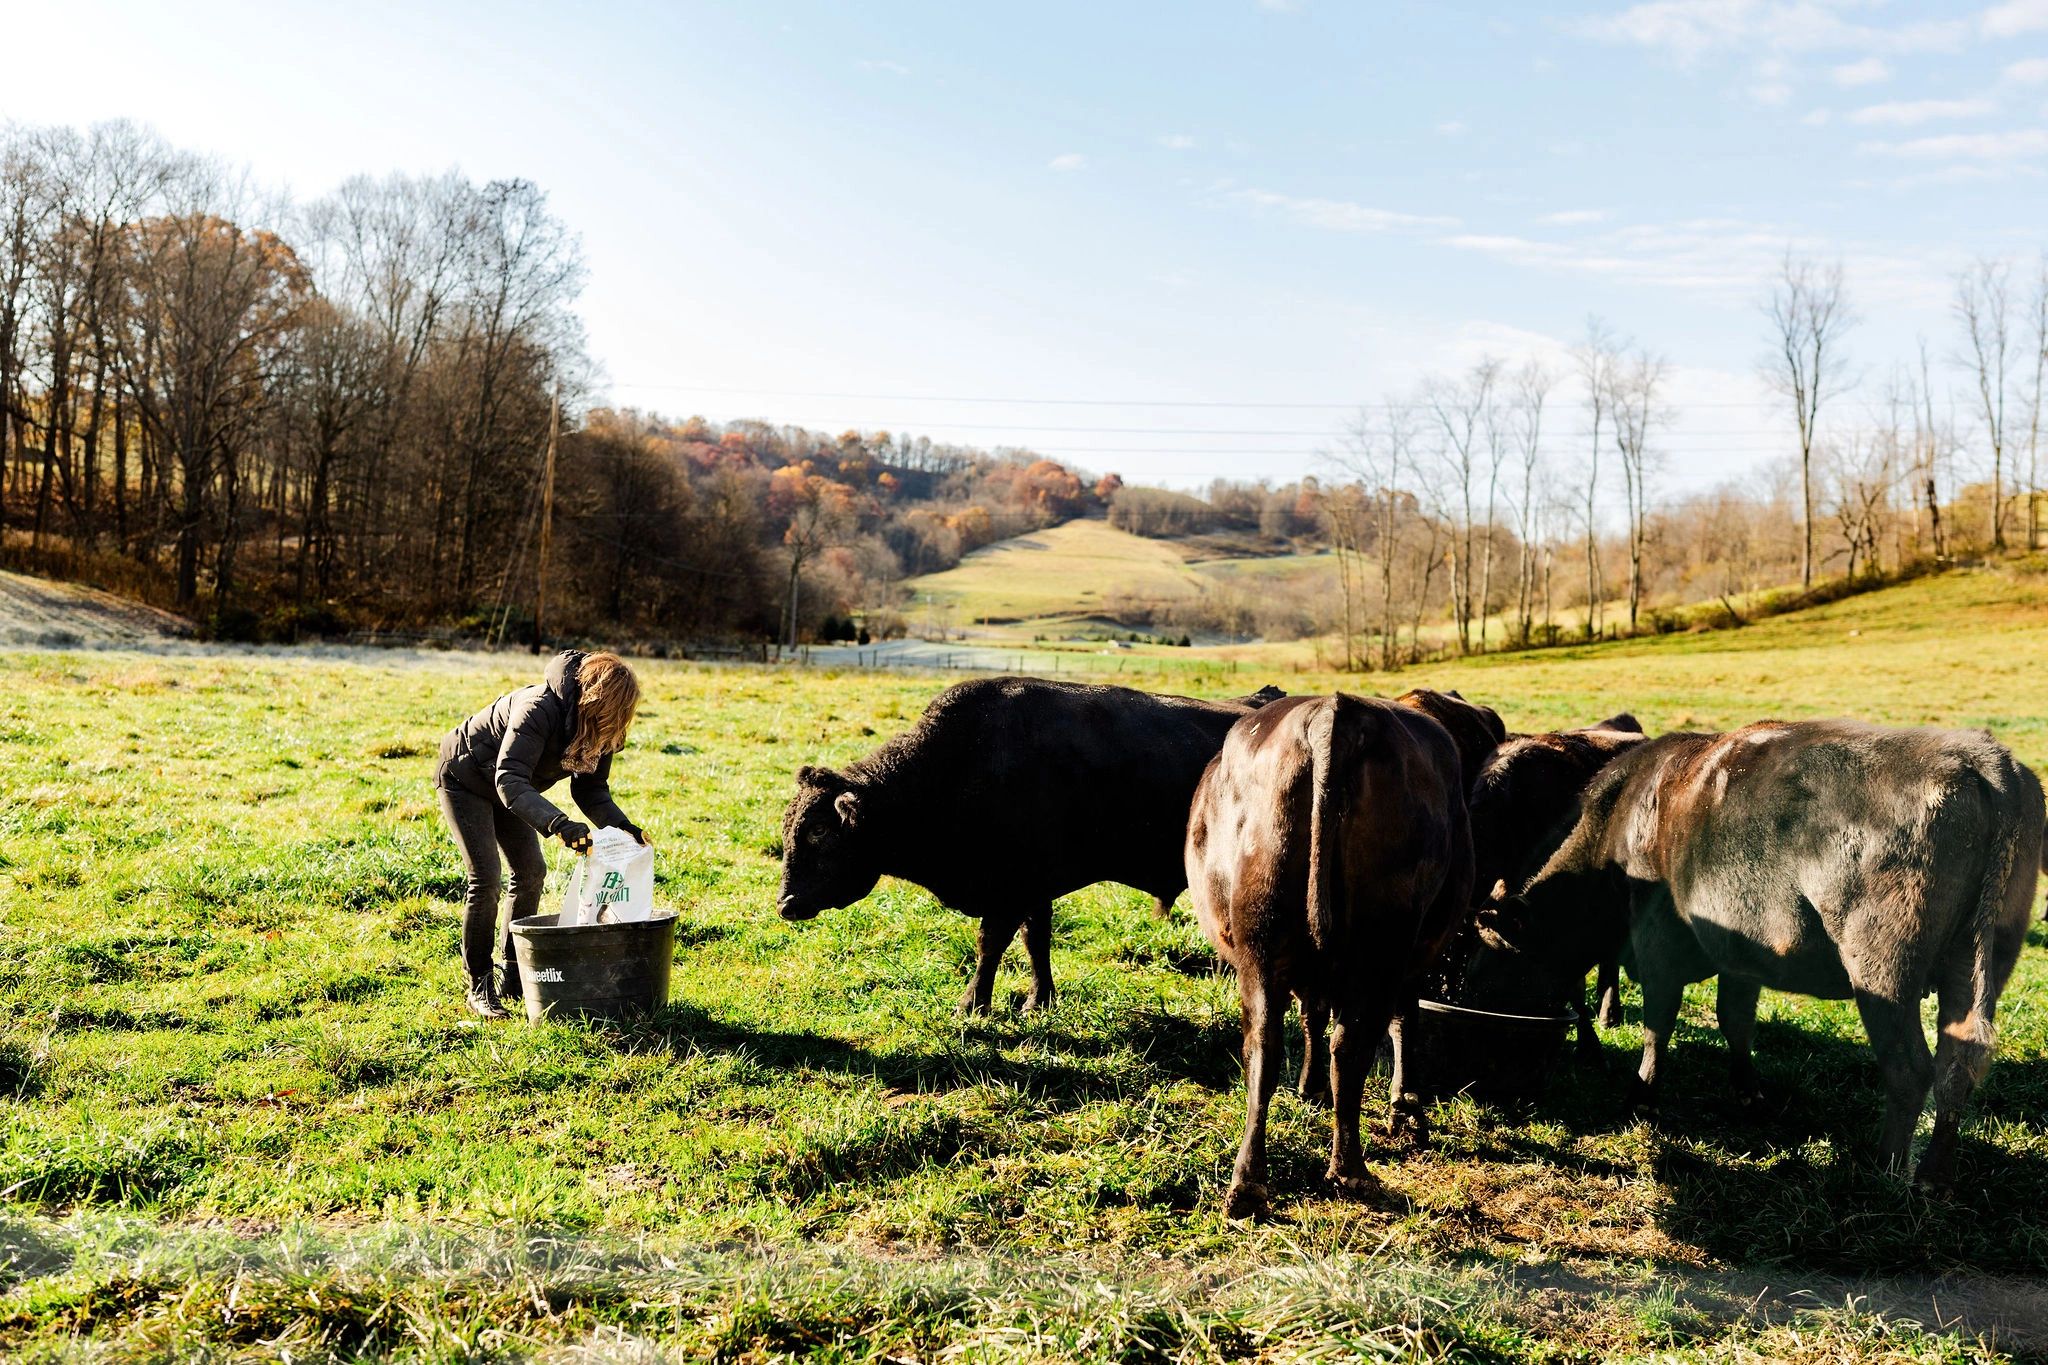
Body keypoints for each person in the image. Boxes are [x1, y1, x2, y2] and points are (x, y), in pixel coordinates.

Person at [434, 649, 649, 1018]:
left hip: (514, 788)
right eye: (608, 716)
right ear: (592, 699)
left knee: (532, 872)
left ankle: (515, 974)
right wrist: (559, 825)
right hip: (466, 778)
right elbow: (509, 779)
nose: (611, 729)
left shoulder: (600, 729)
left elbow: (591, 790)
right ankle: (479, 984)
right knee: (486, 878)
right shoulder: (539, 708)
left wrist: (625, 830)